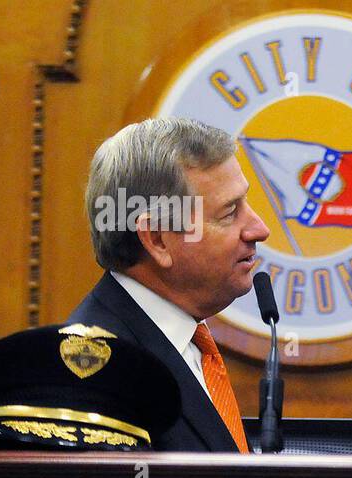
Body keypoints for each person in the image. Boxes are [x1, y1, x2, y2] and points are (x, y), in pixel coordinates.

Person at [68, 117, 271, 452]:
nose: (259, 229)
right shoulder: (95, 374)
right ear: (158, 239)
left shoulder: (190, 342)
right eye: (229, 213)